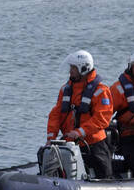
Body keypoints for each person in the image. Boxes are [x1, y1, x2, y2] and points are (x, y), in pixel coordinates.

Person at [46, 49, 114, 180]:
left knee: (104, 176)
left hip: (94, 144)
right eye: (70, 67)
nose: (70, 71)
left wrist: (80, 132)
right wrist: (51, 138)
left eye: (73, 68)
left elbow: (102, 118)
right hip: (70, 144)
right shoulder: (66, 89)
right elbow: (55, 115)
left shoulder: (100, 91)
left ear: (83, 68)